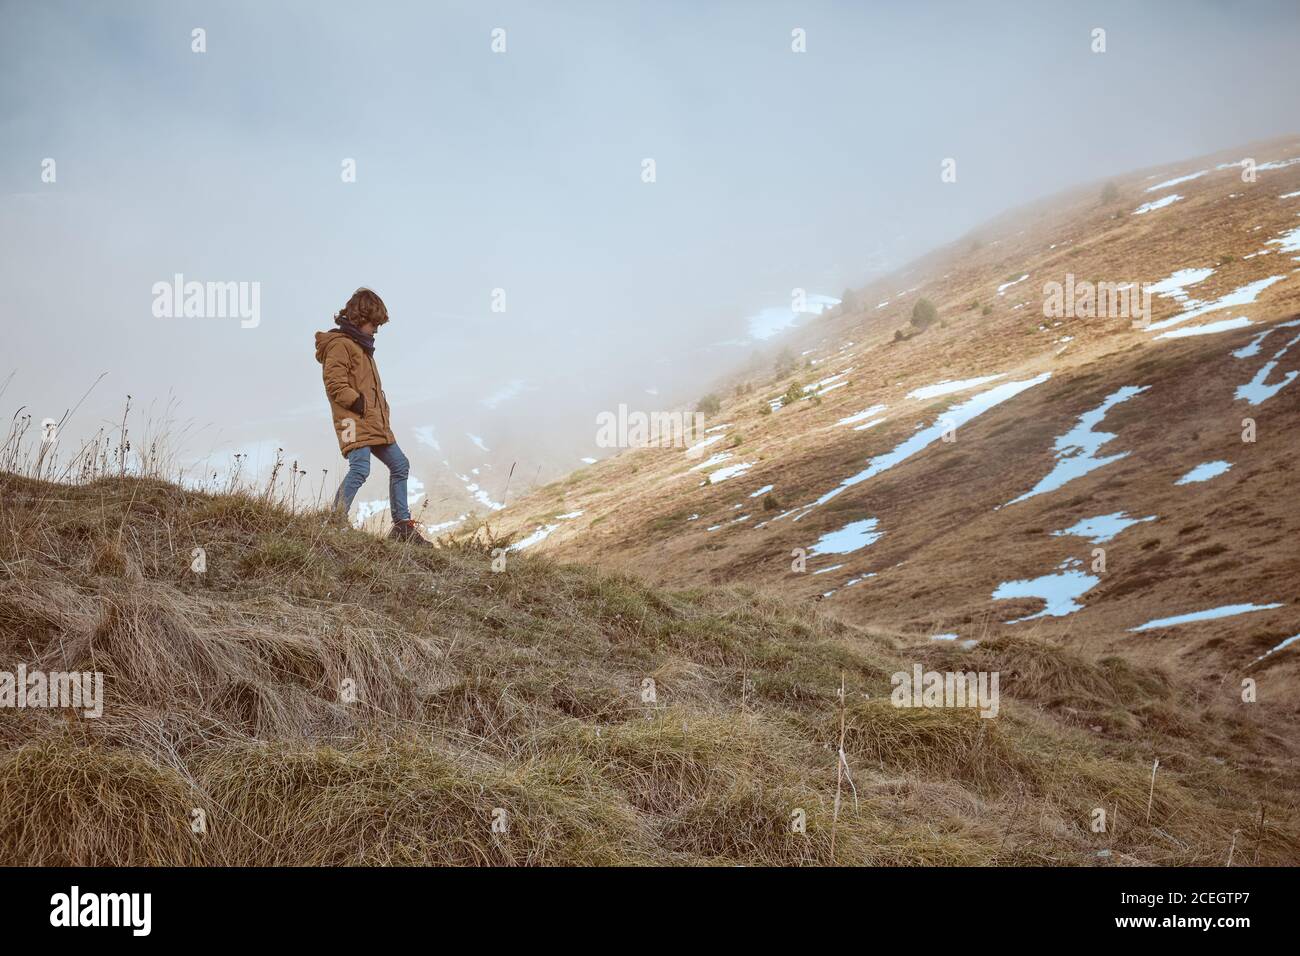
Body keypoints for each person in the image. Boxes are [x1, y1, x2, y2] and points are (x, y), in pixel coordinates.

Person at [314, 288, 430, 544]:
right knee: (360, 468)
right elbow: (334, 384)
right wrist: (359, 404)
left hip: (372, 421)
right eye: (374, 323)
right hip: (352, 420)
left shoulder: (361, 347)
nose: (376, 330)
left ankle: (402, 527)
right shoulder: (339, 345)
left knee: (400, 465)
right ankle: (334, 520)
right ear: (360, 317)